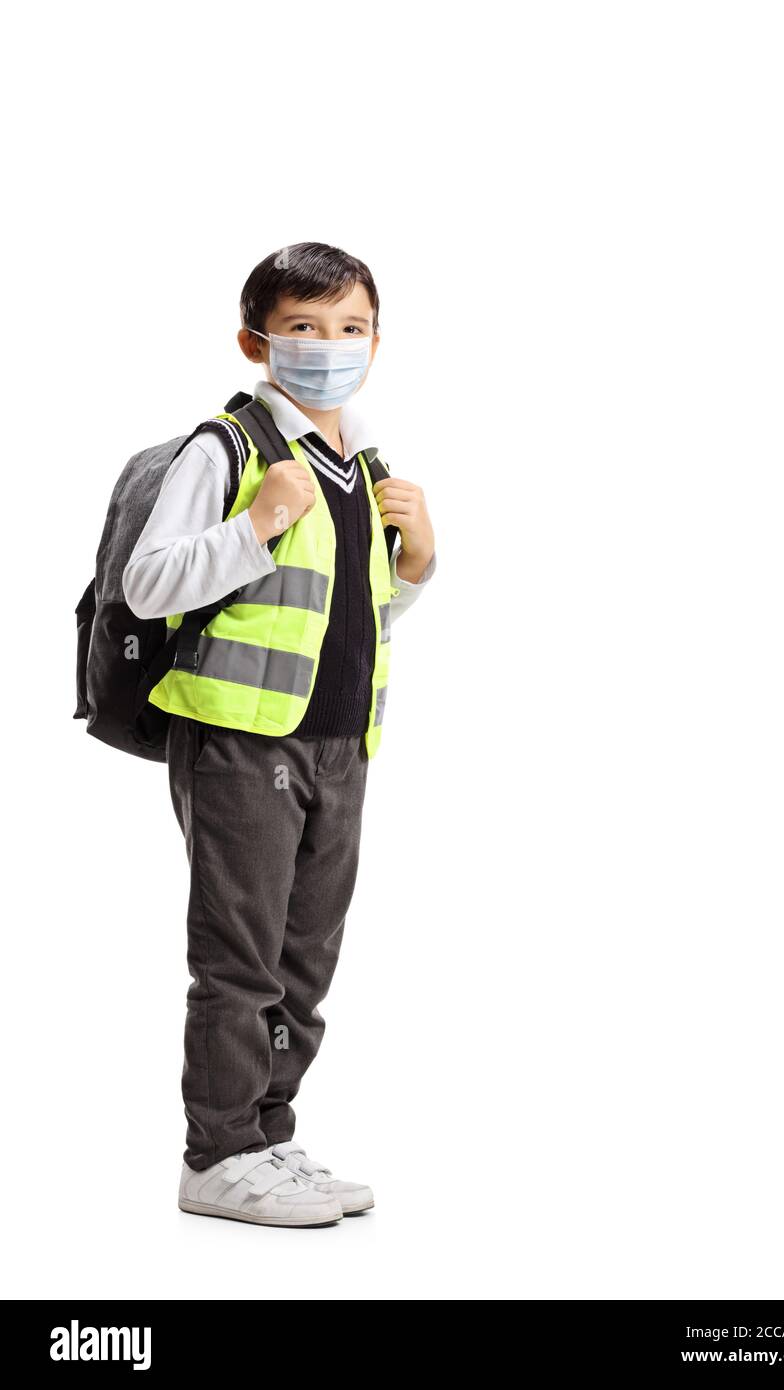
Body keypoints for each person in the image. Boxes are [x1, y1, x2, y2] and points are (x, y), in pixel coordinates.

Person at [123, 242, 436, 1227]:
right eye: (303, 327)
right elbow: (149, 582)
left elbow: (346, 616)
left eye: (348, 328)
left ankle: (267, 1137)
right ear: (255, 339)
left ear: (376, 342)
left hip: (341, 743)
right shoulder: (232, 448)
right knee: (241, 958)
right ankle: (215, 1156)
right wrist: (255, 524)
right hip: (241, 744)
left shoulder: (360, 463)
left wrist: (418, 561)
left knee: (304, 962)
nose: (327, 347)